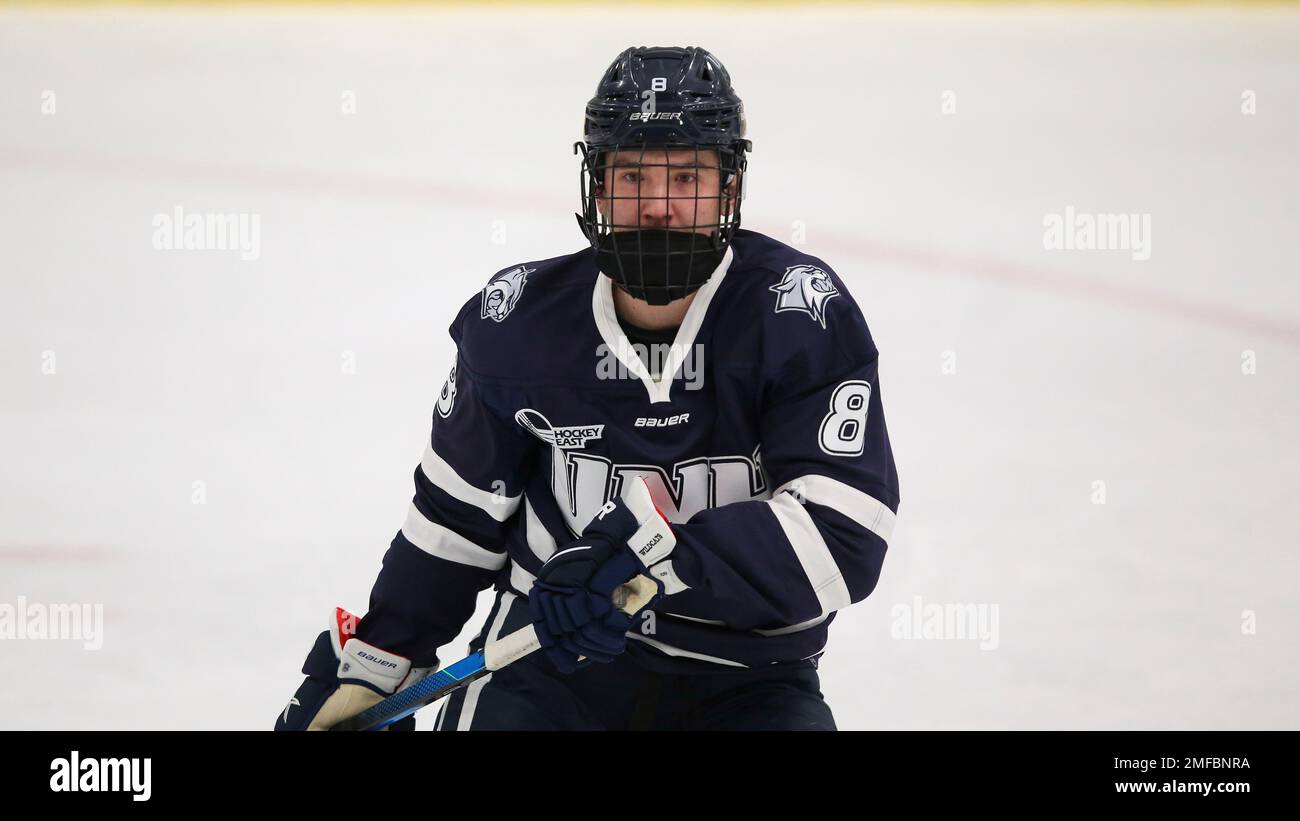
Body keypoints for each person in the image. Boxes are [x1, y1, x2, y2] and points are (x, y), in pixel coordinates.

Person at [276, 45, 899, 732]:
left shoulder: (797, 317)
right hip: (548, 664)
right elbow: (456, 521)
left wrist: (649, 563)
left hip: (749, 674)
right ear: (597, 186)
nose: (659, 206)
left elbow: (843, 533)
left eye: (688, 176)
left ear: (729, 189)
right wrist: (379, 662)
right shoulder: (517, 324)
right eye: (633, 175)